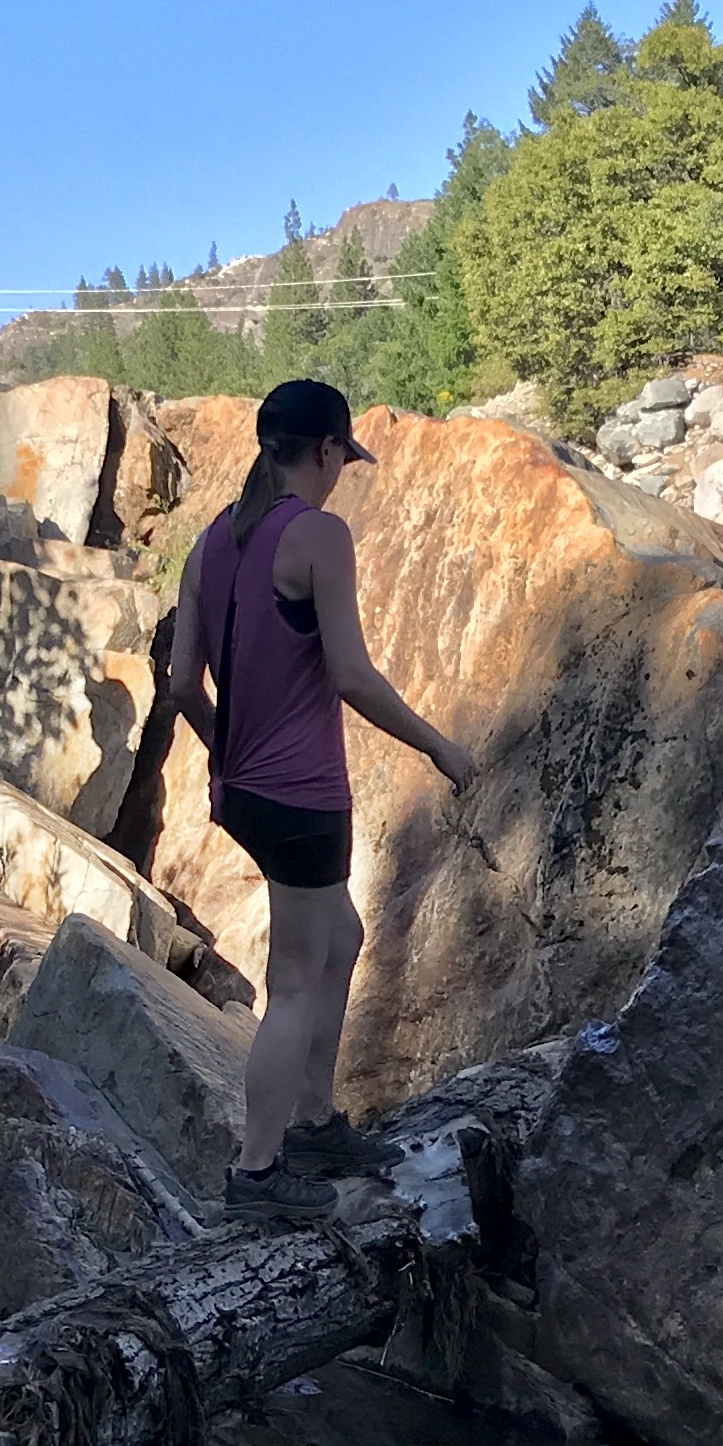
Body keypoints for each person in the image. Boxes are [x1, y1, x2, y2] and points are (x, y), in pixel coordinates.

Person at [160, 378, 478, 1218]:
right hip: (302, 796)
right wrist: (440, 745)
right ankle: (259, 1172)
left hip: (244, 789)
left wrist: (226, 750)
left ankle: (317, 1121)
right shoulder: (319, 535)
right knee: (295, 981)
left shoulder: (211, 544)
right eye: (342, 458)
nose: (342, 473)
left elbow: (180, 682)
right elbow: (351, 676)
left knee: (342, 935)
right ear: (326, 450)